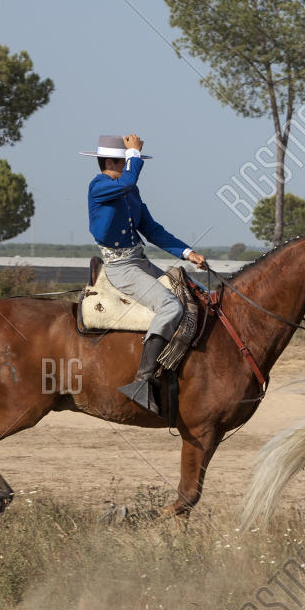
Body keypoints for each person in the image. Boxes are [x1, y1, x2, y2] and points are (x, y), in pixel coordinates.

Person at [83, 133, 207, 414]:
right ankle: (143, 379)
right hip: (121, 269)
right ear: (112, 161)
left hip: (140, 261)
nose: (129, 166)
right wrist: (134, 155)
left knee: (196, 294)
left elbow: (152, 230)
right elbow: (128, 180)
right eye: (125, 160)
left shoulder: (130, 192)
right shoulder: (99, 186)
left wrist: (187, 253)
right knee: (169, 305)